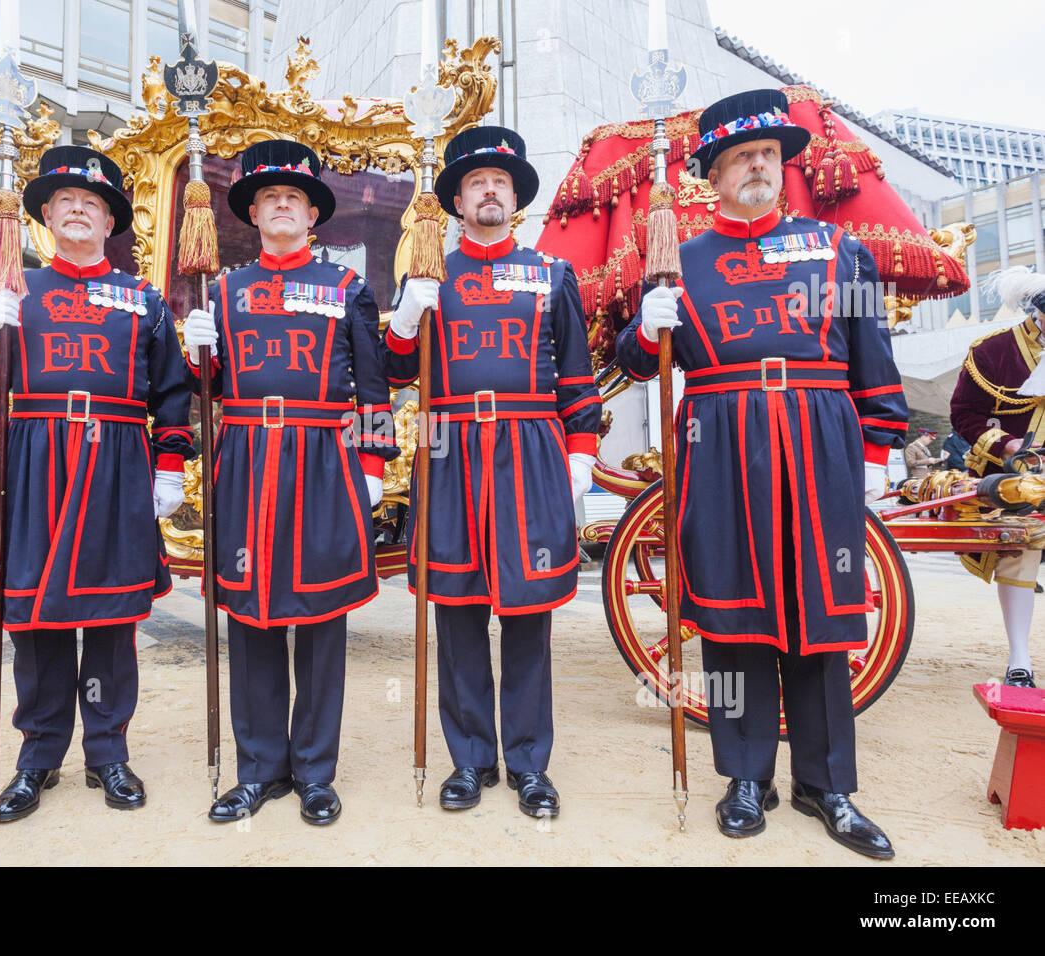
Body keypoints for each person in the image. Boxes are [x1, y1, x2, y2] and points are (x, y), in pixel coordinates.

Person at [615, 90, 907, 859]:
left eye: (770, 156)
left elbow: (873, 357)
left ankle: (827, 784)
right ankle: (745, 776)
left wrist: (880, 450)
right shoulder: (681, 261)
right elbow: (637, 362)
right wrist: (647, 327)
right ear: (712, 173)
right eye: (742, 157)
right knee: (731, 614)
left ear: (785, 167)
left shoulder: (836, 249)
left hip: (818, 438)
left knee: (820, 617)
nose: (758, 168)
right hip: (720, 442)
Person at [0, 145, 193, 821]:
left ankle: (108, 751)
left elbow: (173, 394)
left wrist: (169, 467)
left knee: (110, 619)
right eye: (66, 202)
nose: (79, 210)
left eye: (92, 203)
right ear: (47, 217)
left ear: (111, 220)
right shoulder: (16, 289)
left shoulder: (144, 300)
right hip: (34, 465)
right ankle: (38, 754)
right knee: (35, 615)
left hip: (116, 462)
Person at [382, 126, 600, 819]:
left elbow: (576, 374)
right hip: (450, 448)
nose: (489, 191)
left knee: (529, 613)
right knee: (459, 612)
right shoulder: (429, 274)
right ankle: (471, 760)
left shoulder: (551, 273)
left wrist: (580, 454)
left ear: (516, 198)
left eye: (500, 182)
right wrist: (406, 319)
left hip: (531, 447)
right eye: (476, 182)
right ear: (455, 200)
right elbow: (390, 372)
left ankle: (530, 765)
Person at [182, 139, 398, 826]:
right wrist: (198, 354)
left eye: (294, 197)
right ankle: (258, 770)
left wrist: (369, 467)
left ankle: (315, 772)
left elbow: (373, 385)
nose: (281, 205)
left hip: (322, 459)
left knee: (323, 620)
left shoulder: (345, 288)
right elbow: (206, 389)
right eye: (269, 196)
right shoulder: (223, 290)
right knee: (250, 620)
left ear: (311, 215)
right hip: (246, 458)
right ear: (253, 212)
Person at [949, 265, 1045, 688]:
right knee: (1021, 549)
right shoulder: (991, 352)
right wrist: (1009, 446)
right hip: (1015, 475)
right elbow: (964, 415)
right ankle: (1019, 658)